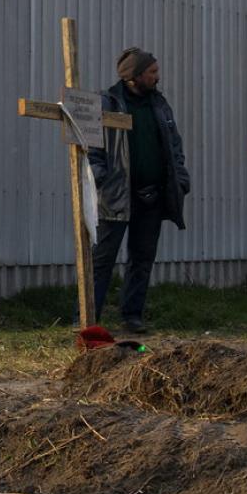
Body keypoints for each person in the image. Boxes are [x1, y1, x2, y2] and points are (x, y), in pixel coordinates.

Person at [86, 47, 190, 333]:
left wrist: (180, 178)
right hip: (117, 195)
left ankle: (132, 316)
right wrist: (102, 178)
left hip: (151, 196)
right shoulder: (109, 103)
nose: (157, 77)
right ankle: (88, 317)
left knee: (142, 259)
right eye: (152, 72)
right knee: (102, 259)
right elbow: (92, 147)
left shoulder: (159, 105)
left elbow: (174, 146)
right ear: (134, 76)